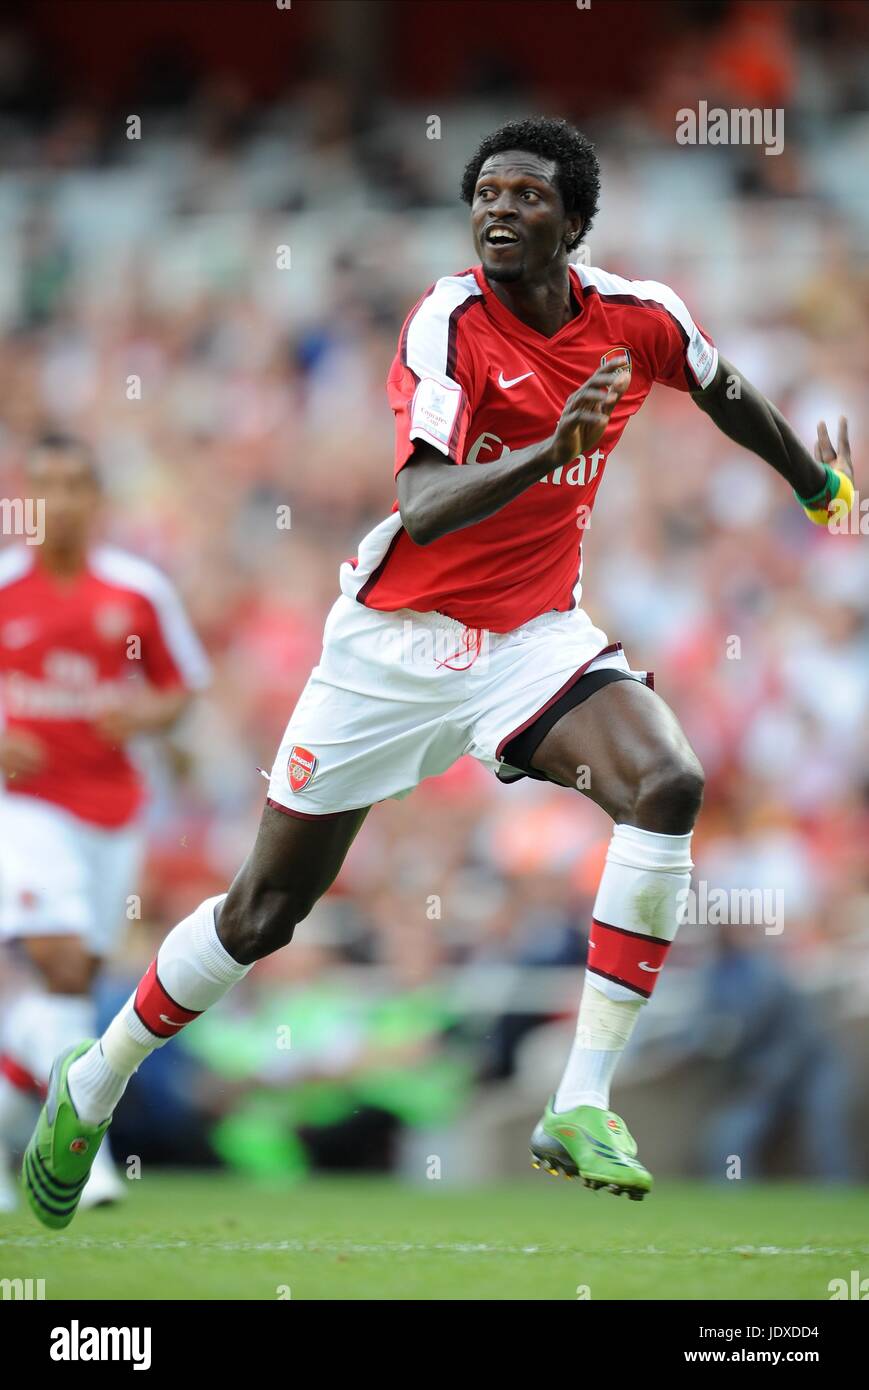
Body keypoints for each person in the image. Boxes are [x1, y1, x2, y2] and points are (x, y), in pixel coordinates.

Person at [21, 117, 855, 1226]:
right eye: (485, 194)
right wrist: (547, 453)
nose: (498, 210)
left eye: (525, 195)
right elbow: (419, 501)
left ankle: (580, 1100)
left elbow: (723, 387)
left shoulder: (638, 319)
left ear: (574, 222)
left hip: (528, 640)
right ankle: (95, 1078)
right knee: (263, 913)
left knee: (666, 782)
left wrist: (820, 491)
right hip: (391, 649)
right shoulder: (445, 321)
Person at [0, 433, 209, 1212]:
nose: (59, 500)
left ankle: (13, 1118)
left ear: (96, 500)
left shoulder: (135, 591)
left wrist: (143, 715)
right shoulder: (4, 588)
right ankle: (87, 1159)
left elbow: (183, 685)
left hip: (112, 812)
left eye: (75, 485)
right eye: (44, 484)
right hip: (22, 807)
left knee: (73, 985)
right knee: (56, 961)